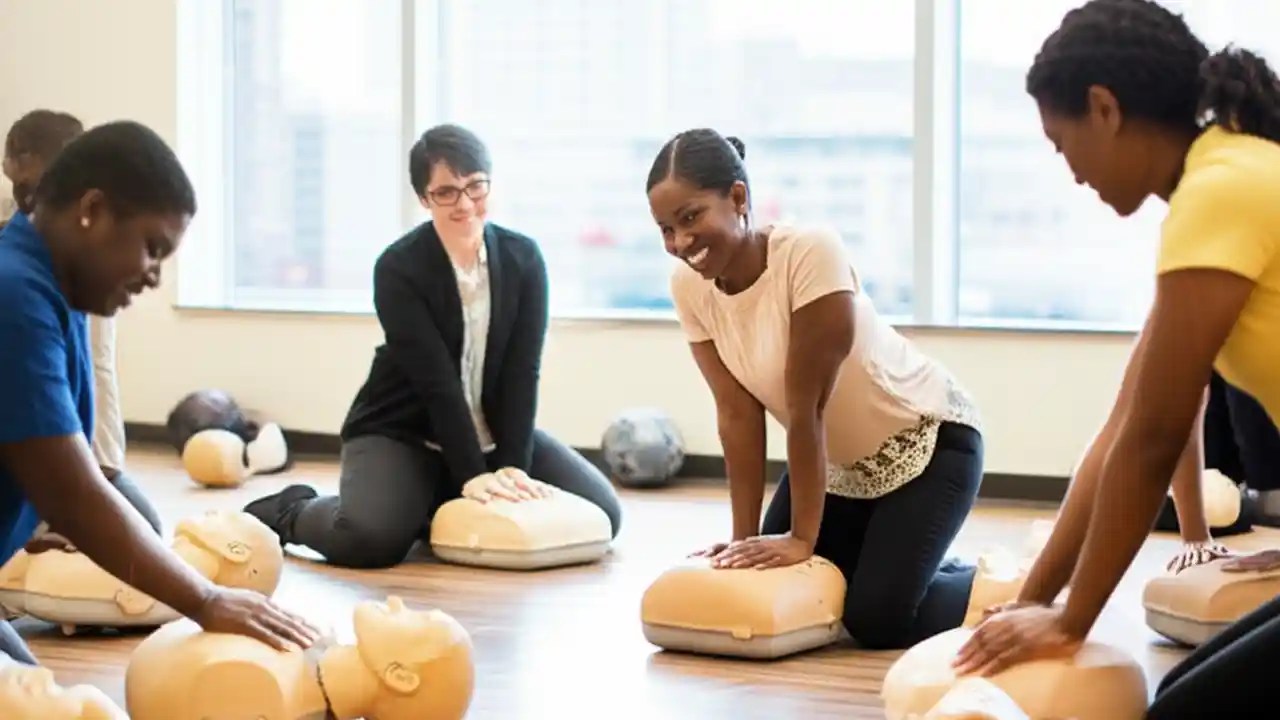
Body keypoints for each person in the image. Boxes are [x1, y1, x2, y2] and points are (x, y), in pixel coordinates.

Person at [953, 2, 1280, 715]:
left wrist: (1072, 621)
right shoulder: (1223, 180)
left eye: (1061, 143)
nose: (1070, 174)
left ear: (1103, 108)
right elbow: (1122, 429)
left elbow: (1153, 440)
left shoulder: (1220, 193)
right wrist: (1031, 605)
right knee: (1181, 694)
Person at [648, 128, 985, 650]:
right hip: (837, 467)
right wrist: (744, 542)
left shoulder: (809, 252)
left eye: (691, 217)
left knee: (876, 619)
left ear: (738, 198)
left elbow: (807, 406)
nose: (680, 242)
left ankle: (1000, 584)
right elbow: (737, 415)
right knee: (793, 579)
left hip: (929, 444)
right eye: (666, 229)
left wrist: (801, 538)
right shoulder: (689, 286)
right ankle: (917, 563)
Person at [0, 119, 318, 665]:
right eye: (152, 248)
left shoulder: (51, 291)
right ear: (92, 211)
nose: (153, 276)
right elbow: (72, 494)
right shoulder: (13, 294)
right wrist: (207, 598)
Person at [243, 123, 623, 569]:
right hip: (403, 432)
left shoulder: (524, 259)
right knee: (370, 540)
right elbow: (436, 383)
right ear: (424, 198)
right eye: (446, 192)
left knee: (603, 515)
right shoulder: (398, 268)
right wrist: (472, 478)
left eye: (475, 186)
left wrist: (512, 468)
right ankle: (292, 510)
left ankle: (429, 505)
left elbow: (524, 371)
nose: (465, 203)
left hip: (490, 434)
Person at [2, 109, 162, 538]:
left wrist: (104, 467)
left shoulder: (84, 272)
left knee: (144, 528)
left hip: (76, 463)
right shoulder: (19, 285)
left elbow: (98, 368)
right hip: (42, 470)